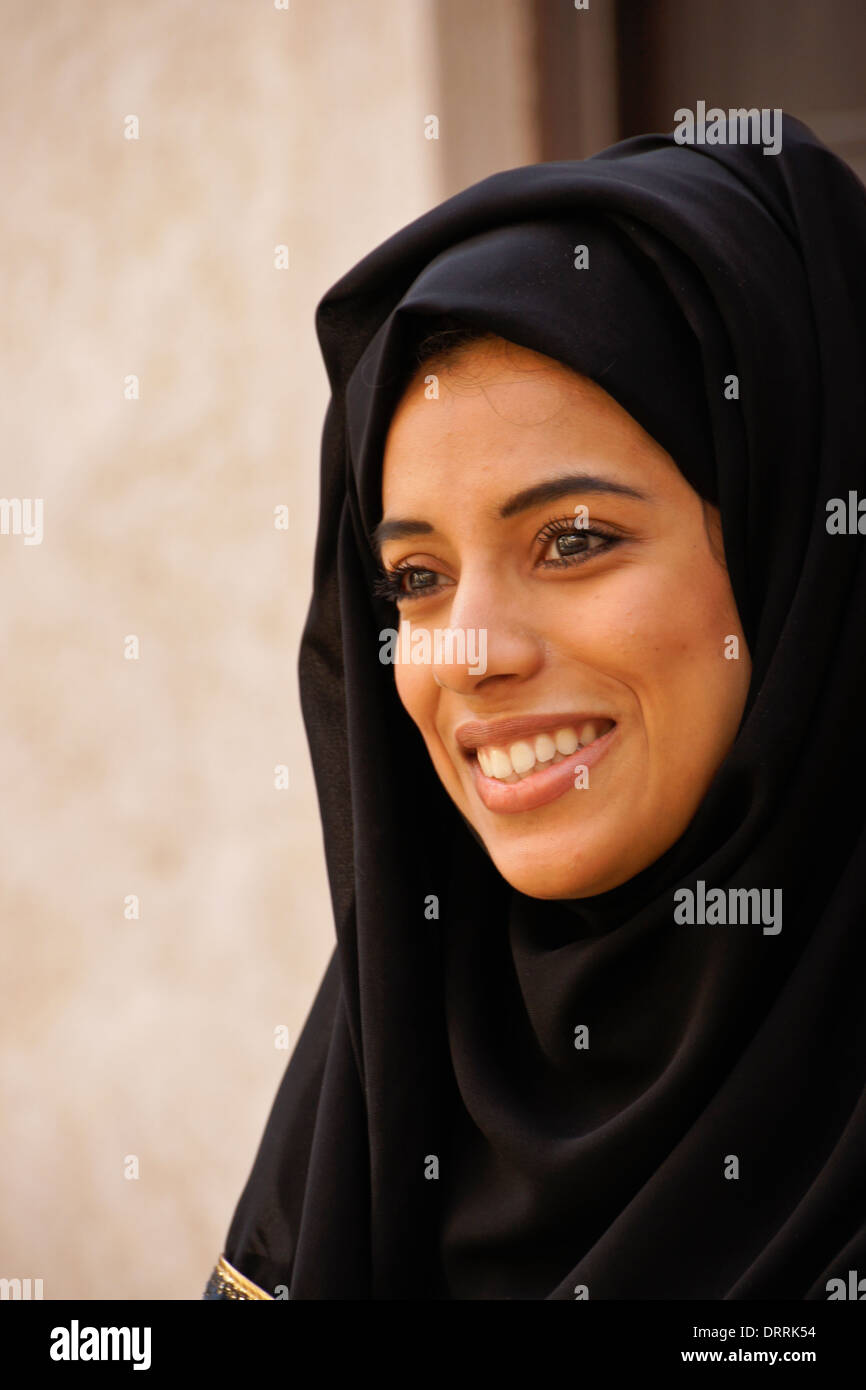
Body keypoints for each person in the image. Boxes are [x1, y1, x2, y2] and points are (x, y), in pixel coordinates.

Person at [204, 113, 866, 1301]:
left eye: (571, 540)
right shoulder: (401, 1050)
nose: (469, 653)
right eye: (415, 577)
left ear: (793, 559)